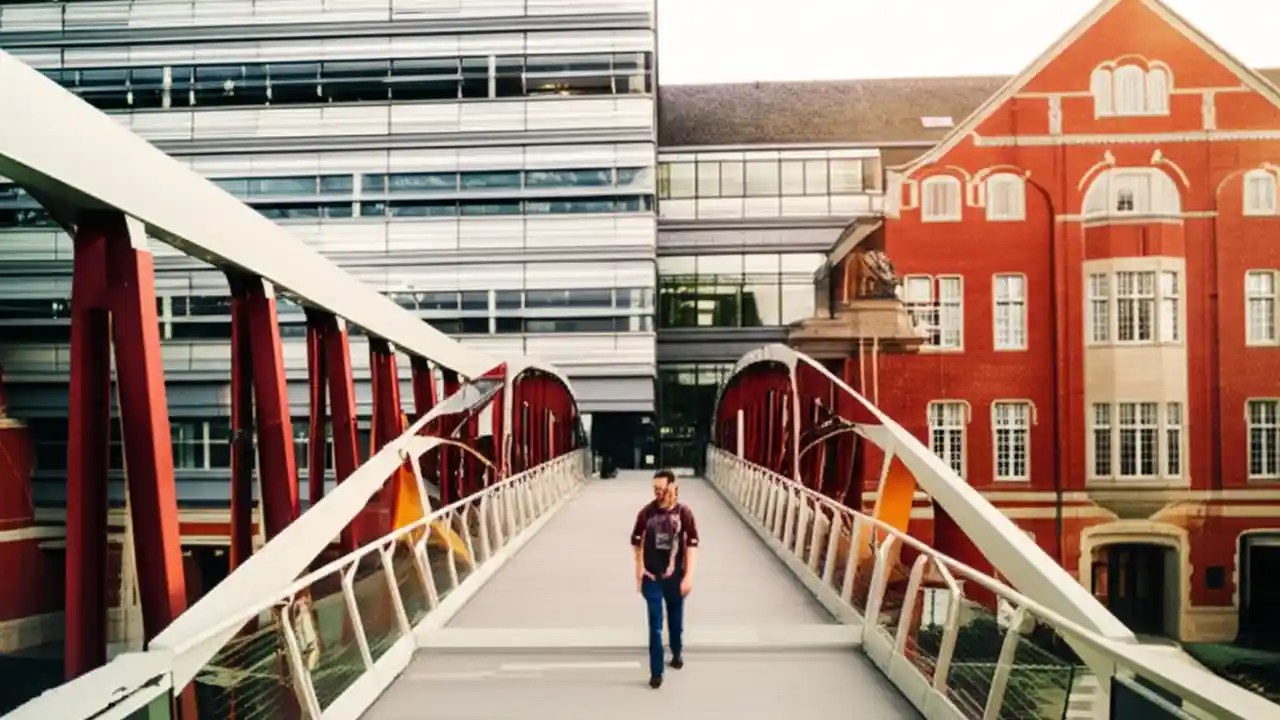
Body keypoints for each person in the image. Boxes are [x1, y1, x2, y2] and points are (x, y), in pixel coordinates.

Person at [629, 469, 699, 689]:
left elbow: (691, 546)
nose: (658, 493)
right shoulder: (646, 514)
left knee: (675, 623)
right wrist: (638, 571)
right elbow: (636, 543)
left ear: (672, 487)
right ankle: (656, 672)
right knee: (655, 626)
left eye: (662, 489)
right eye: (655, 489)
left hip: (675, 577)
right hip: (652, 577)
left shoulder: (684, 513)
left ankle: (677, 652)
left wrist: (688, 576)